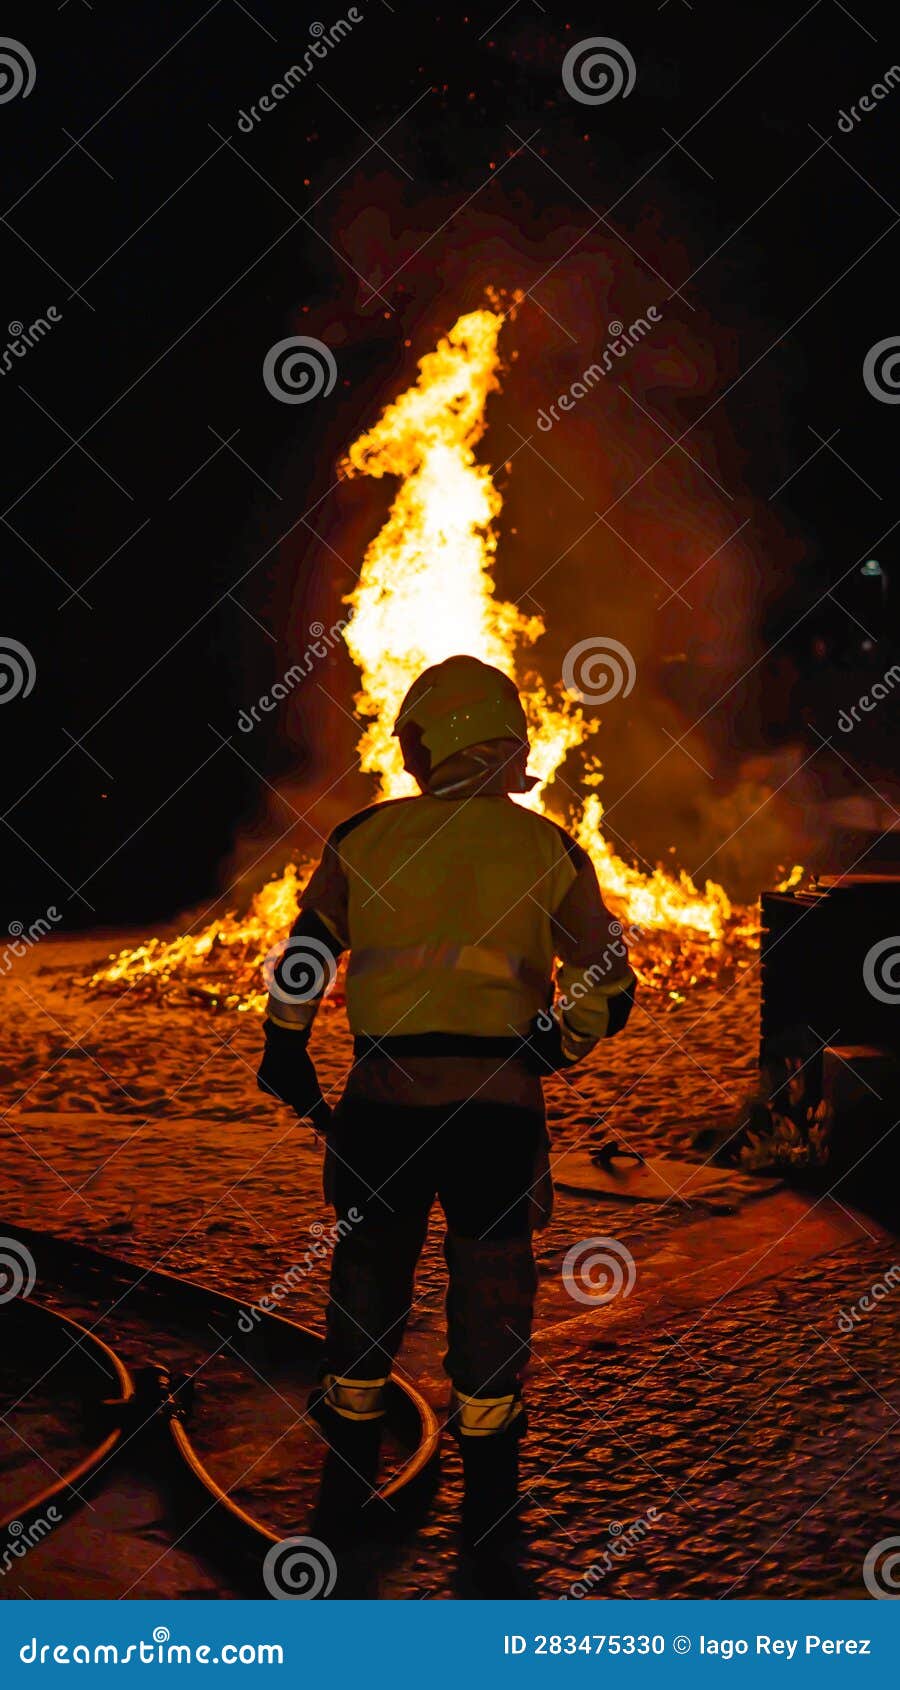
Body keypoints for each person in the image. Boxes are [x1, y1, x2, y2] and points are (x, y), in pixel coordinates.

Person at [257, 654, 635, 1558]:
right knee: (494, 1288)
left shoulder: (365, 838)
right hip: (498, 1113)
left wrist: (285, 1047)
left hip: (382, 1105)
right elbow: (610, 985)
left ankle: (347, 1465)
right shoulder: (549, 848)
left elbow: (308, 954)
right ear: (502, 742)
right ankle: (491, 1501)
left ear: (434, 743)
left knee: (367, 1277)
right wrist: (555, 1044)